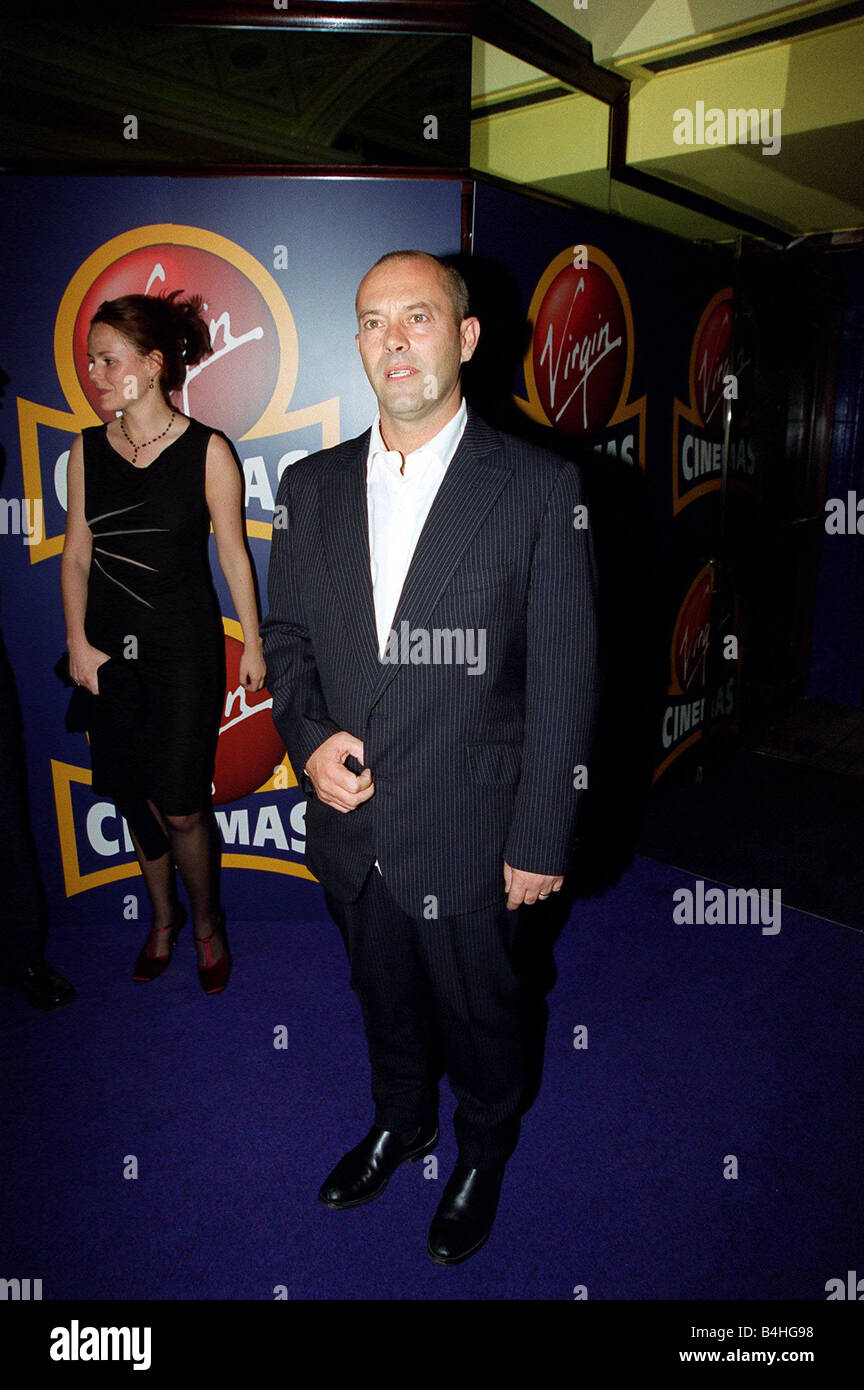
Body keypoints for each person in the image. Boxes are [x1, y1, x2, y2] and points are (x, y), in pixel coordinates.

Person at [262, 250, 597, 1264]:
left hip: (475, 825)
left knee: (484, 1007)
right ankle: (402, 1120)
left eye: (418, 317)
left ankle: (483, 1146)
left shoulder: (539, 486)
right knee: (383, 995)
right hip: (352, 827)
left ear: (466, 337)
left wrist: (542, 836)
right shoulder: (309, 485)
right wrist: (307, 740)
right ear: (357, 341)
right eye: (374, 321)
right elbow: (285, 642)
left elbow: (567, 677)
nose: (394, 340)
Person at [60, 291, 265, 994]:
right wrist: (78, 646)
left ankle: (206, 924)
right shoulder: (86, 451)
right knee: (133, 799)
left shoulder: (208, 451)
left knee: (180, 803)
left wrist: (257, 644)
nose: (94, 371)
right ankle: (161, 919)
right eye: (91, 360)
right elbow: (76, 557)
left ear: (150, 366)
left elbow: (235, 557)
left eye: (107, 359)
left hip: (183, 652)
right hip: (108, 655)